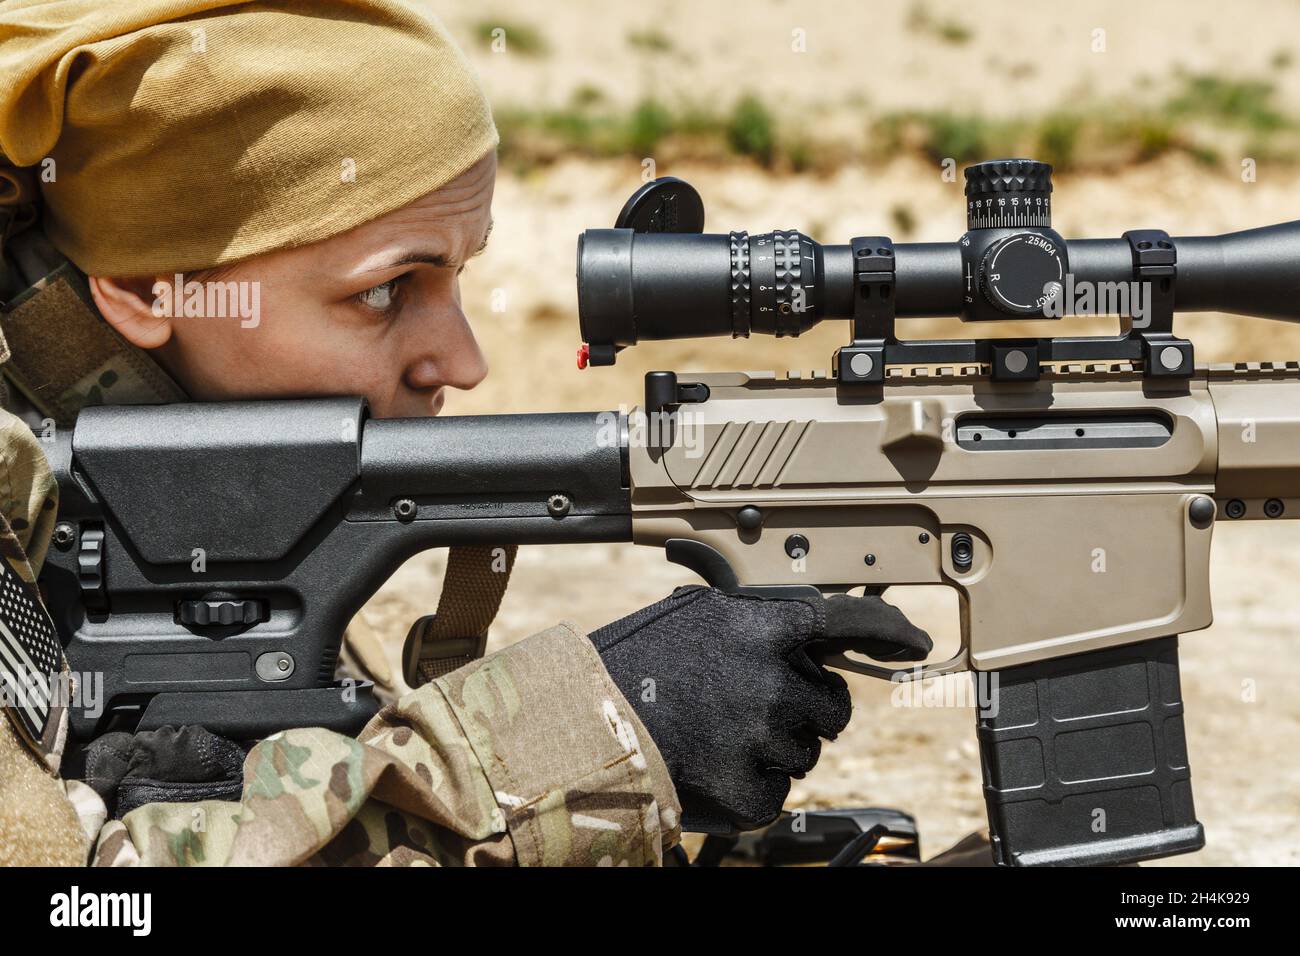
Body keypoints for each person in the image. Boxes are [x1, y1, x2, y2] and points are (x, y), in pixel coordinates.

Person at [0, 0, 930, 866]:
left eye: (457, 276)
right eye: (382, 289)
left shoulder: (189, 501)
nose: (463, 360)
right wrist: (598, 735)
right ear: (146, 287)